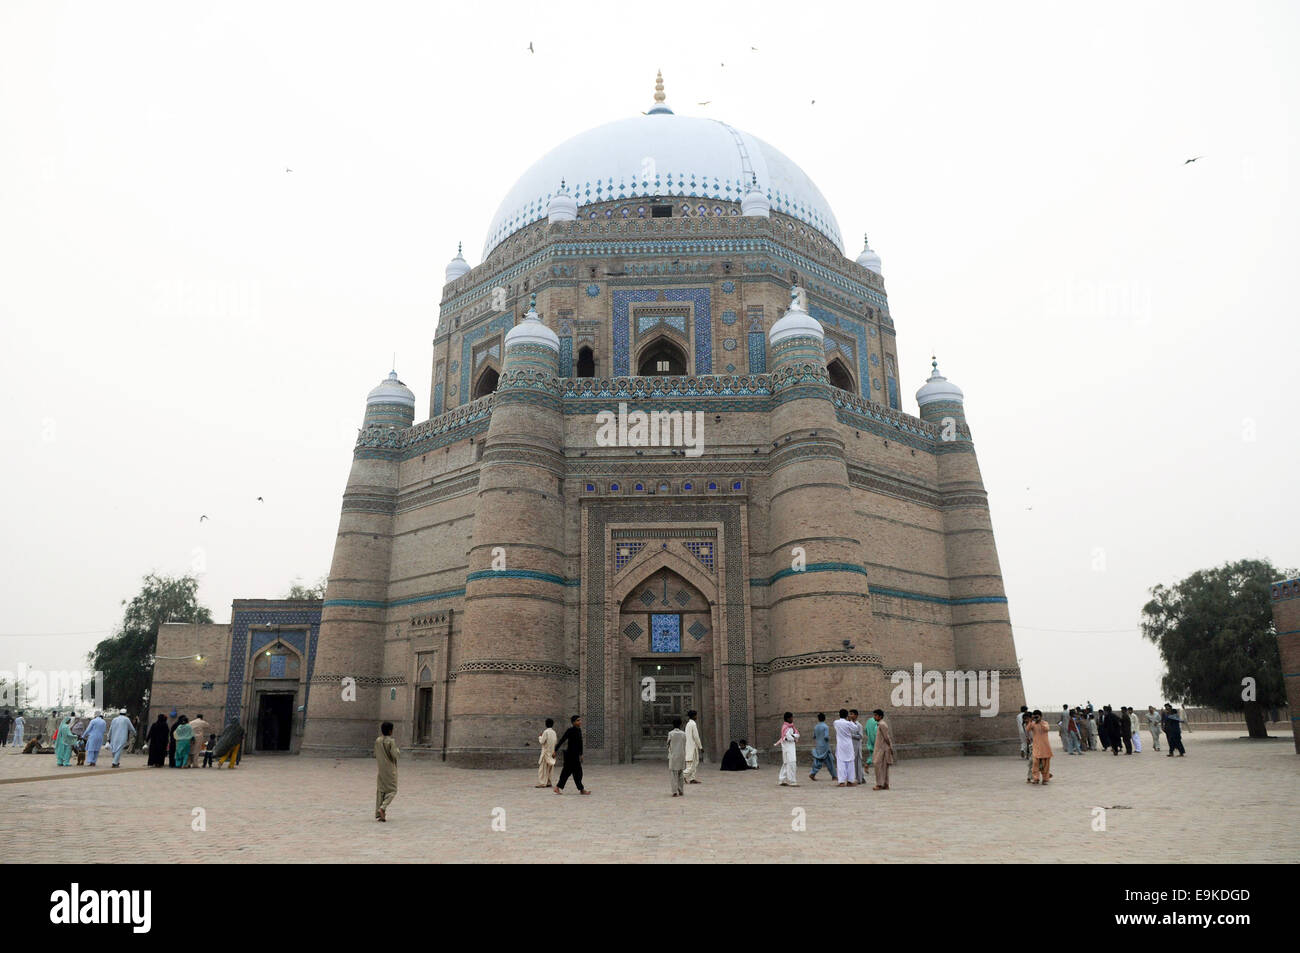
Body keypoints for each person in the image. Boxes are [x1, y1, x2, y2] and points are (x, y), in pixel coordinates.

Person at [553, 715, 591, 795]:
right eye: (578, 720)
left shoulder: (579, 730)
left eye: (580, 720)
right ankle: (581, 789)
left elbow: (580, 743)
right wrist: (555, 750)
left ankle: (559, 787)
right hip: (570, 755)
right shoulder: (570, 730)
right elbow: (562, 740)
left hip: (575, 755)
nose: (580, 722)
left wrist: (581, 754)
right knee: (571, 772)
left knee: (575, 773)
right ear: (573, 722)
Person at [370, 721, 399, 821]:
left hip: (381, 768)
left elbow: (375, 753)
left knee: (381, 790)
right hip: (390, 769)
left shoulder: (378, 740)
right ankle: (383, 808)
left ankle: (379, 814)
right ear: (390, 731)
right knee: (392, 790)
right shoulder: (391, 741)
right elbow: (395, 755)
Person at [832, 709, 860, 787]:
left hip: (840, 745)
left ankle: (841, 781)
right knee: (850, 762)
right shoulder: (848, 723)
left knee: (840, 763)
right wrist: (850, 720)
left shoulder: (836, 722)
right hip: (848, 745)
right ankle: (850, 781)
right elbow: (856, 728)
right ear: (846, 715)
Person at [1026, 709, 1052, 784]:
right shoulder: (1032, 724)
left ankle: (1045, 779)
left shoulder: (1045, 723)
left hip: (1045, 747)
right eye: (1035, 716)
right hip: (1036, 747)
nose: (1036, 718)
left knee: (1045, 765)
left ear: (1041, 716)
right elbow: (1027, 729)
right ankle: (1036, 779)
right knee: (1035, 764)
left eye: (1037, 716)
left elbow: (1046, 729)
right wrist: (1031, 721)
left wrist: (1040, 722)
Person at [871, 710, 895, 790]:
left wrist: (890, 747)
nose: (874, 717)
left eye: (876, 715)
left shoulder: (882, 724)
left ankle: (880, 784)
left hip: (883, 748)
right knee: (882, 766)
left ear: (880, 716)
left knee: (878, 765)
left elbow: (886, 737)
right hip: (880, 748)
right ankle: (885, 783)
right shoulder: (880, 724)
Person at [774, 712, 799, 786]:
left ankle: (782, 780)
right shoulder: (786, 727)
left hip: (788, 746)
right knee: (791, 763)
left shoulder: (791, 727)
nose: (792, 719)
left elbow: (796, 735)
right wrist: (794, 737)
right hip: (788, 747)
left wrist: (793, 736)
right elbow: (788, 737)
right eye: (791, 717)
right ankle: (792, 781)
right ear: (788, 718)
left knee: (786, 763)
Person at [808, 712, 835, 780]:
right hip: (825, 747)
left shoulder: (816, 727)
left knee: (818, 760)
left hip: (818, 746)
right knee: (829, 761)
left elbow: (814, 736)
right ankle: (834, 776)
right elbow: (826, 737)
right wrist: (829, 737)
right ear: (824, 718)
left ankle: (813, 773)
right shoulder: (825, 727)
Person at [667, 718, 687, 796]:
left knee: (673, 774)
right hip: (681, 755)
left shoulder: (671, 733)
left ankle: (674, 791)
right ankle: (681, 790)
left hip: (673, 755)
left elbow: (668, 743)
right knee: (681, 773)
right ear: (680, 724)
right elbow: (685, 743)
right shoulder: (683, 734)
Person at [683, 709, 703, 785]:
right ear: (694, 716)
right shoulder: (693, 724)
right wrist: (700, 747)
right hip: (692, 747)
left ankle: (692, 778)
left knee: (691, 763)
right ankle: (681, 776)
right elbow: (696, 736)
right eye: (696, 715)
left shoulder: (688, 724)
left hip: (688, 746)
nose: (697, 717)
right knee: (692, 764)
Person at [536, 717, 557, 788]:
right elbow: (555, 742)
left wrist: (540, 737)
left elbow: (542, 741)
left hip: (545, 753)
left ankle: (542, 783)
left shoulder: (546, 732)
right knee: (550, 769)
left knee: (543, 769)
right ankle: (549, 782)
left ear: (546, 724)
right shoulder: (554, 732)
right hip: (552, 753)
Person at [850, 709, 867, 784]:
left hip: (856, 746)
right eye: (850, 714)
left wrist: (851, 735)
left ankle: (860, 779)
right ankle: (857, 777)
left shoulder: (859, 725)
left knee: (858, 763)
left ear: (856, 715)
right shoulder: (848, 724)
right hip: (850, 747)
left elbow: (860, 736)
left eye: (852, 714)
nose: (850, 715)